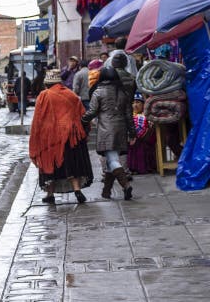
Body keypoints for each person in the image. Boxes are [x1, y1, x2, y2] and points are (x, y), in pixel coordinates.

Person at [29, 69, 93, 205]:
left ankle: (50, 194)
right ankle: (77, 190)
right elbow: (82, 115)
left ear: (47, 83)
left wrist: (36, 137)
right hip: (71, 137)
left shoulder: (44, 95)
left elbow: (38, 119)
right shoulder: (71, 95)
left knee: (52, 165)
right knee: (72, 165)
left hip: (51, 137)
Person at [82, 67, 136, 200]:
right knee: (111, 159)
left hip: (106, 129)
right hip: (121, 128)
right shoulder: (124, 93)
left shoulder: (98, 92)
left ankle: (126, 185)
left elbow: (93, 111)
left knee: (112, 160)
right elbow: (129, 115)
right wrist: (132, 132)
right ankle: (106, 192)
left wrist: (82, 120)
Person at [127, 94, 156, 174]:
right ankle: (132, 168)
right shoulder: (130, 115)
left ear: (143, 104)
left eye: (138, 102)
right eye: (133, 103)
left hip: (144, 140)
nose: (135, 105)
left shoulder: (147, 115)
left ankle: (144, 167)